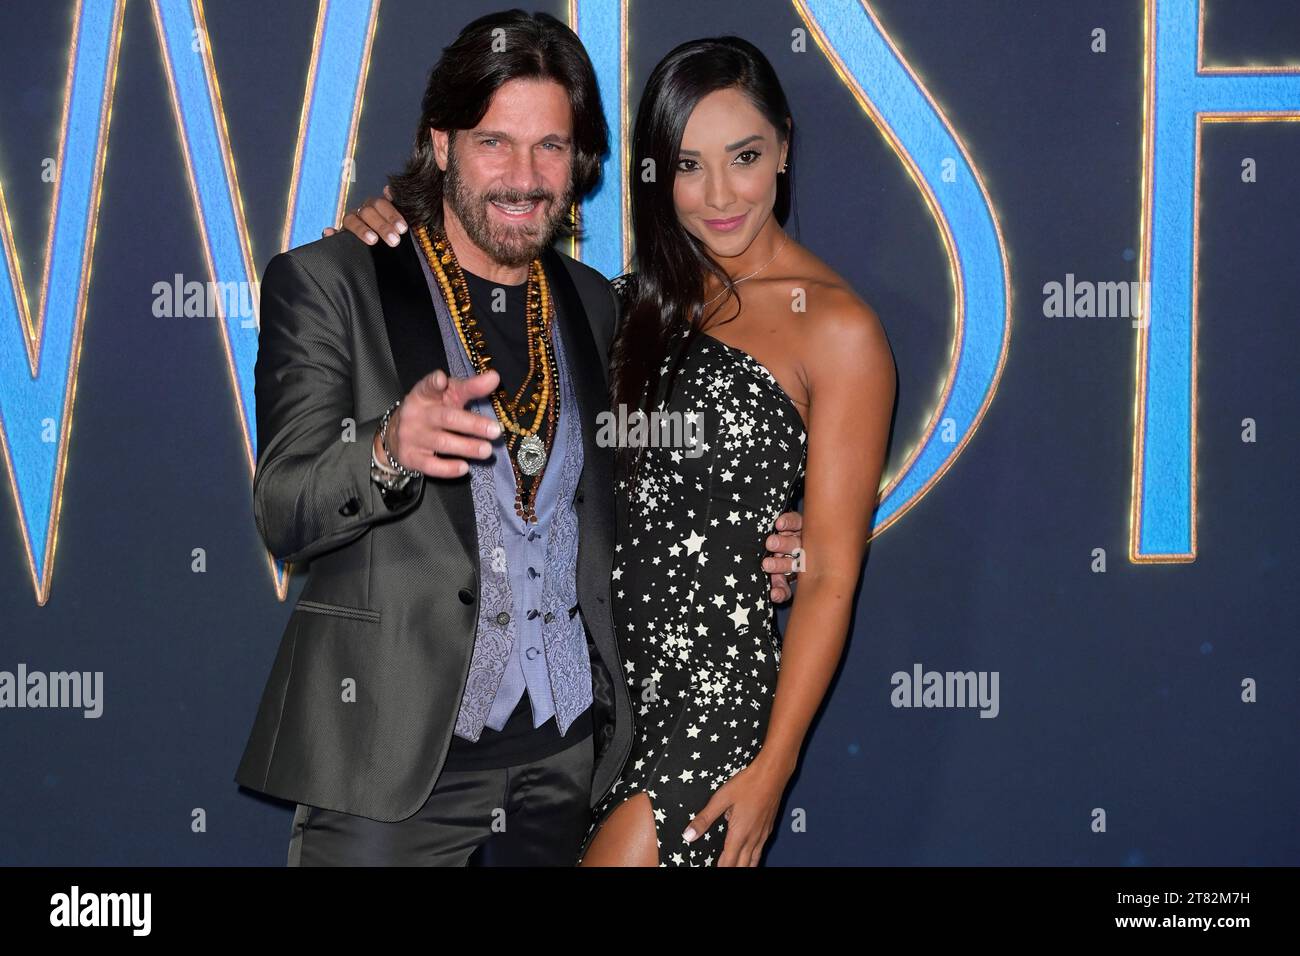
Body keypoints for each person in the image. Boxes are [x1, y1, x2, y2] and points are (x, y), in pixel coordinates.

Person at [235, 9, 801, 867]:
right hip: (391, 773)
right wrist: (387, 447)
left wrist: (774, 542)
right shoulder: (333, 283)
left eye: (550, 148)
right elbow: (284, 508)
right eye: (495, 142)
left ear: (579, 164)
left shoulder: (599, 303)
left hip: (566, 767)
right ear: (442, 143)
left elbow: (654, 487)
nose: (525, 177)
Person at [341, 34, 893, 867]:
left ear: (783, 145)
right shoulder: (625, 305)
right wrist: (392, 222)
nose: (718, 195)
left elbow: (830, 578)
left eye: (743, 156)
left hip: (711, 712)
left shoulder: (841, 328)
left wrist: (774, 769)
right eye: (686, 165)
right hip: (591, 707)